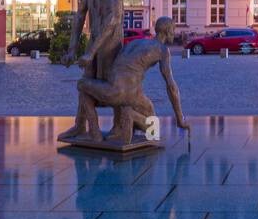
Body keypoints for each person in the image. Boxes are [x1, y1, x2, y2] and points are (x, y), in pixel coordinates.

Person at [58, 16, 189, 143]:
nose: (174, 32)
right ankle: (126, 118)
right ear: (166, 31)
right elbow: (171, 86)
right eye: (173, 29)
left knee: (82, 84)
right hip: (128, 93)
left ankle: (99, 129)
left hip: (119, 90)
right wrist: (179, 118)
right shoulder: (163, 50)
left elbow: (121, 65)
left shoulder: (137, 42)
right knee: (153, 131)